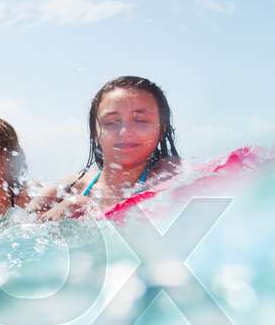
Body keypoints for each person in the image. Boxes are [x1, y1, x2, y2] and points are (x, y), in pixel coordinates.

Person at [40, 75, 181, 220]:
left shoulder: (170, 174)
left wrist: (88, 207)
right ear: (95, 131)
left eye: (140, 120)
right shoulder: (71, 187)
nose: (125, 132)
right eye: (111, 122)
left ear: (162, 129)